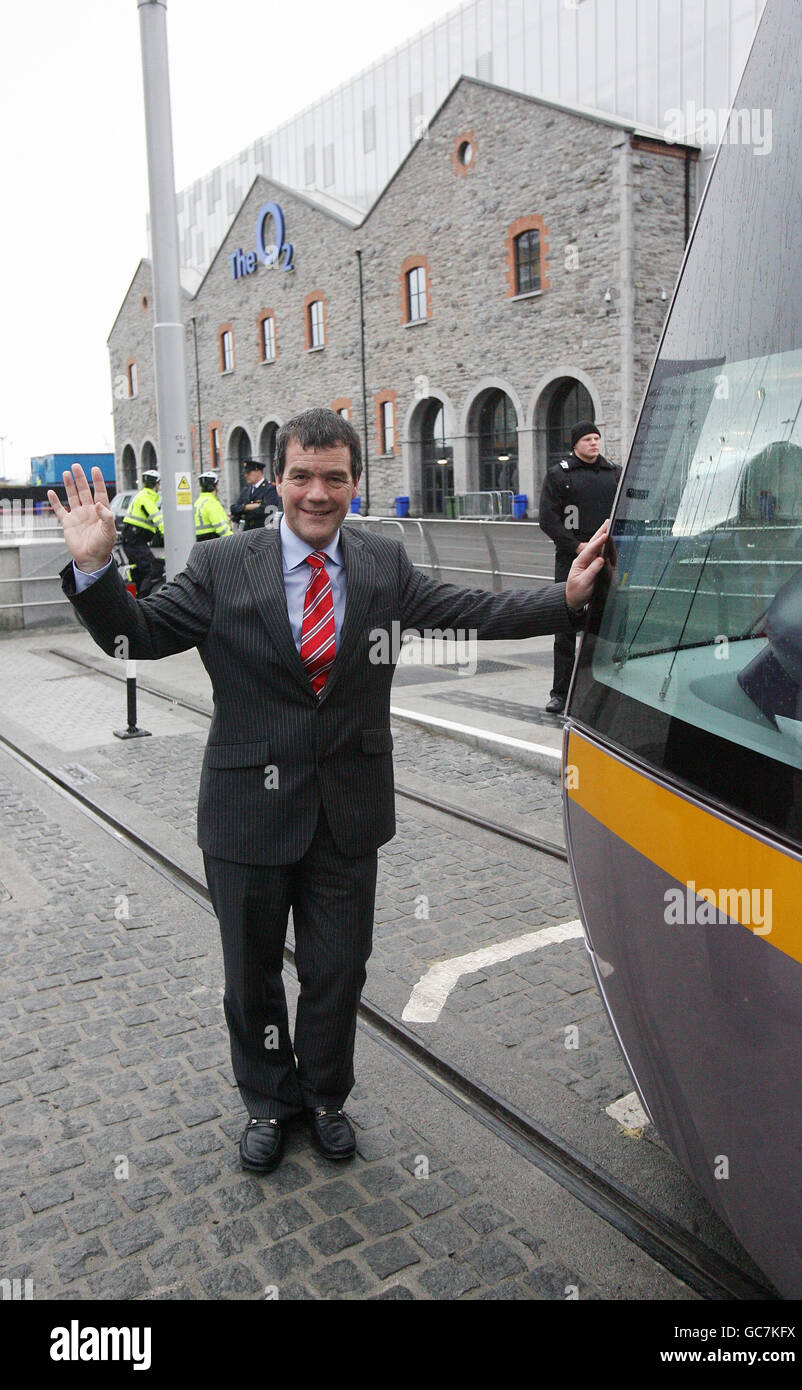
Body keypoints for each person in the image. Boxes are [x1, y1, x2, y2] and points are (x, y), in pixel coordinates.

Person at [49, 409, 608, 1174]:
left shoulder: (381, 561)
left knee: (338, 971)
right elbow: (136, 637)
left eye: (334, 478)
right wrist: (94, 571)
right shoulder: (222, 566)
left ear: (352, 482)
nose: (318, 493)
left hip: (348, 812)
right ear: (277, 481)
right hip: (246, 811)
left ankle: (324, 1097)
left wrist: (566, 599)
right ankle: (268, 1103)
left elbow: (468, 612)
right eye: (303, 476)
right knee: (250, 978)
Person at [538, 421, 621, 714]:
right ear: (575, 444)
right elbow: (548, 519)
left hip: (607, 557)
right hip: (571, 559)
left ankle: (606, 687)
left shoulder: (614, 474)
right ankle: (560, 693)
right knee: (565, 624)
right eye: (587, 439)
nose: (594, 443)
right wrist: (576, 547)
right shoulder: (559, 475)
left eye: (597, 438)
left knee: (609, 621)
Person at [122, 468, 164, 598]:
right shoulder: (146, 498)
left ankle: (134, 599)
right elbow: (158, 519)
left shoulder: (142, 495)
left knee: (139, 571)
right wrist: (168, 536)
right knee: (153, 569)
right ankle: (144, 600)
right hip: (136, 541)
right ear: (156, 484)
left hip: (134, 540)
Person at [230, 458, 281, 530]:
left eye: (248, 473)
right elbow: (233, 508)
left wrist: (242, 513)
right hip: (247, 531)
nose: (245, 476)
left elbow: (267, 510)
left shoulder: (270, 488)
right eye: (245, 473)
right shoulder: (246, 490)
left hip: (263, 530)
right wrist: (247, 507)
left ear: (258, 472)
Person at [194, 471, 233, 542]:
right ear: (216, 485)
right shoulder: (211, 503)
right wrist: (233, 541)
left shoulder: (197, 502)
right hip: (212, 542)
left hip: (199, 542)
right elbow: (221, 528)